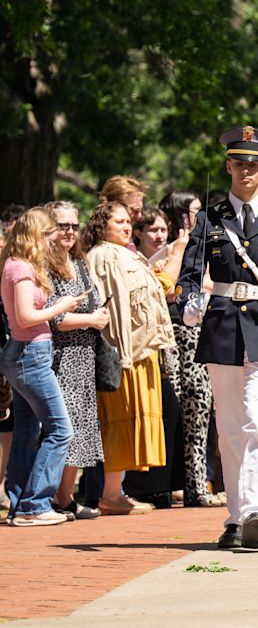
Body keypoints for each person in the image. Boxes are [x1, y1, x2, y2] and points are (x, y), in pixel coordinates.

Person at [177, 126, 258, 550]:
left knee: (256, 420)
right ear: (229, 166)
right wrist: (189, 302)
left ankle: (255, 510)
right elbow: (189, 273)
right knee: (230, 428)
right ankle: (236, 515)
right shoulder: (210, 219)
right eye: (238, 163)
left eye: (253, 164)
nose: (245, 170)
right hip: (223, 328)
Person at [85, 201, 176, 515]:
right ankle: (110, 494)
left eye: (127, 222)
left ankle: (117, 490)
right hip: (124, 350)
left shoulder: (127, 253)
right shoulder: (103, 255)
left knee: (136, 418)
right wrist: (120, 350)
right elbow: (113, 307)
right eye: (118, 222)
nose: (125, 226)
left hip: (143, 348)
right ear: (101, 225)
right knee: (120, 420)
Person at [1, 208, 87, 526]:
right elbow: (24, 317)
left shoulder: (14, 264)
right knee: (61, 429)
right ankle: (34, 504)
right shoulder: (21, 268)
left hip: (24, 354)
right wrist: (59, 307)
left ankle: (21, 503)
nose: (52, 245)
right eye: (49, 238)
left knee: (27, 432)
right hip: (30, 354)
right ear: (37, 236)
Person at [45, 201, 108, 520]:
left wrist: (99, 317)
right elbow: (53, 318)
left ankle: (65, 496)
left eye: (73, 225)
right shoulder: (45, 265)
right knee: (63, 427)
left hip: (84, 356)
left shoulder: (80, 262)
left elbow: (90, 303)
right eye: (62, 225)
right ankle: (47, 496)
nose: (69, 231)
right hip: (59, 356)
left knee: (82, 427)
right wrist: (91, 320)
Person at [122, 207, 189, 507]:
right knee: (148, 412)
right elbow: (165, 286)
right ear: (139, 233)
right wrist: (176, 256)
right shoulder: (128, 257)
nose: (159, 235)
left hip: (159, 344)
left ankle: (166, 483)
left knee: (169, 410)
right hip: (136, 345)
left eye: (163, 229)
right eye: (152, 230)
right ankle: (141, 485)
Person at [159, 191, 219, 505]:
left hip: (203, 331)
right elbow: (166, 289)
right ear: (181, 215)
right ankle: (178, 485)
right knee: (187, 406)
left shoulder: (205, 243)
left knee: (200, 406)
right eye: (196, 210)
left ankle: (197, 484)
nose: (203, 215)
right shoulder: (173, 248)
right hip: (178, 333)